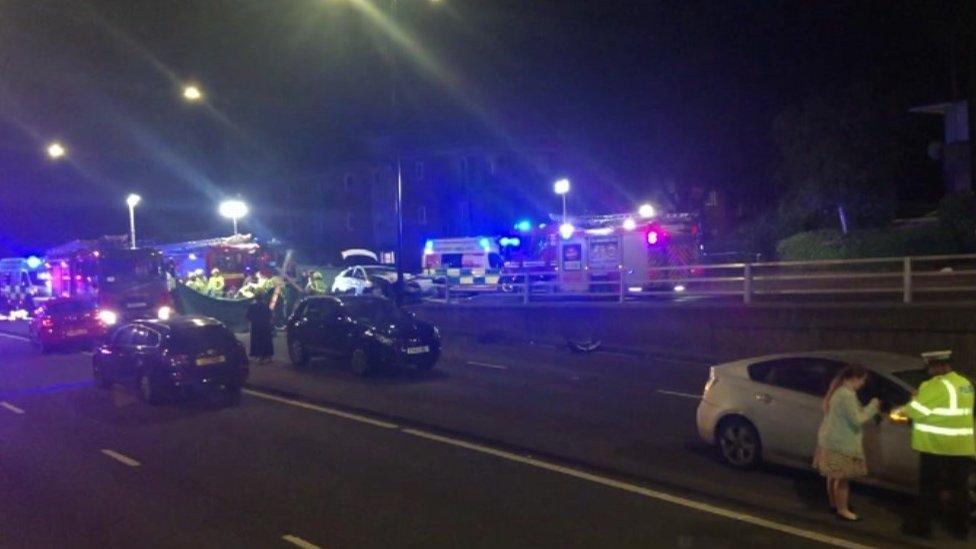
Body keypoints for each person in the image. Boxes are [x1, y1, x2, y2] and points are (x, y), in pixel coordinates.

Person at [900, 350, 975, 540]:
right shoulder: (965, 383)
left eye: (931, 367)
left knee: (929, 489)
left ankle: (923, 527)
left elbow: (915, 411)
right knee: (960, 489)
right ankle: (961, 528)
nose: (929, 371)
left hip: (936, 446)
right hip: (961, 446)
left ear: (939, 366)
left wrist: (910, 401)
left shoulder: (935, 385)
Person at [813, 365, 880, 521]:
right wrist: (873, 406)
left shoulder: (838, 392)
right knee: (842, 479)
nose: (863, 383)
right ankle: (843, 510)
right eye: (862, 380)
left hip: (831, 441)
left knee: (832, 475)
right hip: (842, 443)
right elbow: (857, 419)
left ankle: (834, 504)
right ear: (854, 378)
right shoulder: (846, 395)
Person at [245, 291, 274, 363]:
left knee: (257, 340)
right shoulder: (265, 305)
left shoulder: (252, 306)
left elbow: (248, 316)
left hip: (256, 326)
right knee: (266, 340)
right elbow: (270, 315)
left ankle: (259, 356)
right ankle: (267, 356)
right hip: (265, 325)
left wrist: (252, 321)